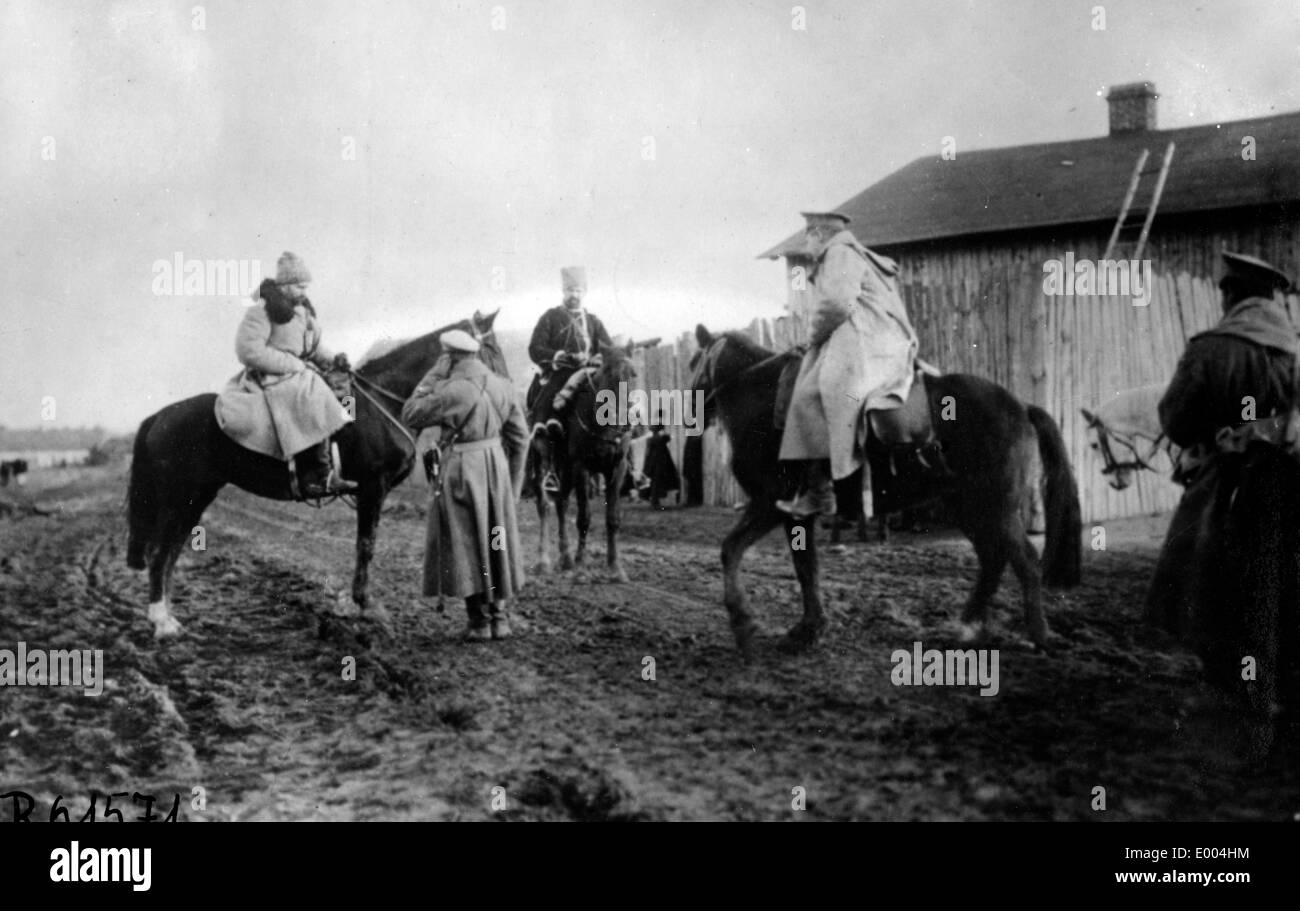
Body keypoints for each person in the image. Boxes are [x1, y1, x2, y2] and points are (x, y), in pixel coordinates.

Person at [1146, 254, 1299, 724]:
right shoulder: (1294, 351)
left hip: (1229, 480)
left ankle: (1231, 685)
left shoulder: (1210, 349)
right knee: (1281, 578)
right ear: (1272, 299)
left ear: (1229, 296)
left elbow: (1174, 418)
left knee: (1200, 567)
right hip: (1291, 479)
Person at [775, 212, 919, 518]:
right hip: (881, 336)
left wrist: (813, 336)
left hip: (871, 339)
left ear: (819, 234)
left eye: (808, 236)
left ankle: (819, 493)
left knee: (809, 396)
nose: (806, 243)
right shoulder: (851, 253)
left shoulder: (839, 253)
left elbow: (838, 304)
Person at [401, 329, 529, 641]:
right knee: (495, 536)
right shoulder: (504, 386)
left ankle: (480, 622)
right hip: (496, 466)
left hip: (461, 468)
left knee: (466, 541)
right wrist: (513, 485)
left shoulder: (449, 389)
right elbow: (521, 439)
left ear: (449, 357)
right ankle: (500, 618)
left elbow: (410, 413)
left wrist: (433, 374)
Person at [214, 252, 356, 497]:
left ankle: (343, 459)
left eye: (306, 286)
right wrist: (293, 365)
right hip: (271, 376)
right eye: (300, 286)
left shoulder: (301, 310)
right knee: (313, 390)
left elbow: (311, 348)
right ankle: (317, 475)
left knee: (344, 388)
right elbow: (248, 350)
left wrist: (334, 360)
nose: (304, 290)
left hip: (294, 371)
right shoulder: (262, 310)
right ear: (285, 285)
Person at [527, 266, 613, 492]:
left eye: (577, 290)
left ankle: (627, 465)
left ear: (584, 292)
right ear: (562, 291)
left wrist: (596, 358)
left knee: (614, 404)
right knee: (549, 395)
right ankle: (551, 463)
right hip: (559, 371)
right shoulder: (550, 317)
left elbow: (608, 348)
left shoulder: (594, 322)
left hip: (588, 373)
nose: (573, 295)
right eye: (569, 290)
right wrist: (557, 356)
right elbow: (535, 348)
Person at [641, 421, 680, 508]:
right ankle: (655, 501)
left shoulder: (652, 439)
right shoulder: (659, 438)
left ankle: (655, 501)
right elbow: (669, 437)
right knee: (656, 483)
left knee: (654, 483)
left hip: (653, 463)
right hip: (659, 463)